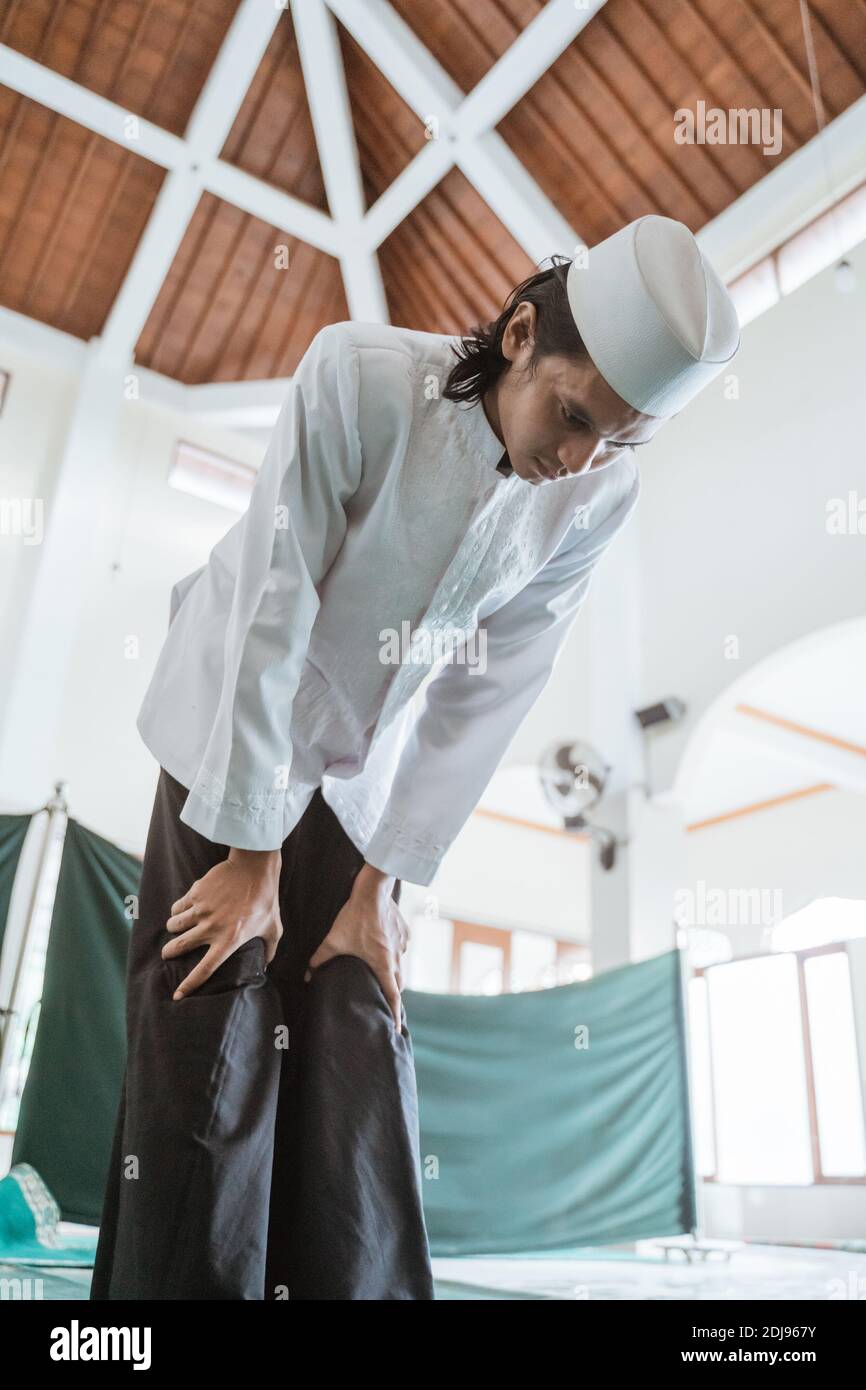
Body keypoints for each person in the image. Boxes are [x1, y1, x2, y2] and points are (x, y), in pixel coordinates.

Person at [90, 215, 740, 1300]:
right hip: (230, 743)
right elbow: (271, 594)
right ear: (520, 334)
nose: (574, 460)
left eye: (612, 441)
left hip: (361, 785)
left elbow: (493, 686)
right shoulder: (360, 375)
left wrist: (385, 883)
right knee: (213, 1037)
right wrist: (250, 854)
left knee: (355, 1047)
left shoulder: (593, 494)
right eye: (572, 416)